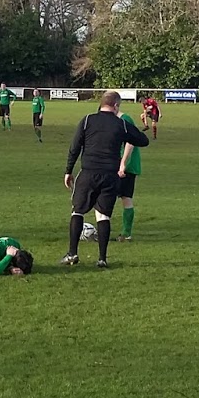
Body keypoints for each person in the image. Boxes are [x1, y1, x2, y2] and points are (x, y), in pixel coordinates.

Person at [62, 90, 151, 269]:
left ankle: (72, 254)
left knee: (77, 211)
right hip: (110, 176)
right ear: (116, 105)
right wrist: (125, 135)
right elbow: (143, 140)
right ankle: (102, 258)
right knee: (103, 215)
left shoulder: (87, 120)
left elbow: (75, 147)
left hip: (88, 172)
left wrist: (68, 171)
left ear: (101, 103)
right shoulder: (121, 124)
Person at [117, 109, 144, 241]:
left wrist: (123, 163)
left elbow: (130, 142)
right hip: (118, 164)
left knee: (125, 197)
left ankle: (126, 233)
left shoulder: (125, 119)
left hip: (127, 166)